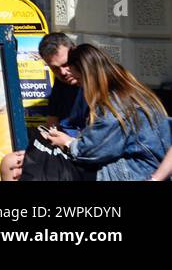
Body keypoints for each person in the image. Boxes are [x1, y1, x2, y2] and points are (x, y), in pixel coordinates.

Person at [41, 43, 171, 180]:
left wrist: (68, 143)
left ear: (89, 76)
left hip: (138, 172)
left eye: (79, 80)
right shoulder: (129, 89)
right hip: (152, 166)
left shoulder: (114, 105)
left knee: (60, 171)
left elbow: (93, 151)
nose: (79, 86)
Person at [39, 32, 87, 135]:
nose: (63, 72)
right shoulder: (61, 83)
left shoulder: (97, 83)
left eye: (66, 64)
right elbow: (52, 123)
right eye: (55, 68)